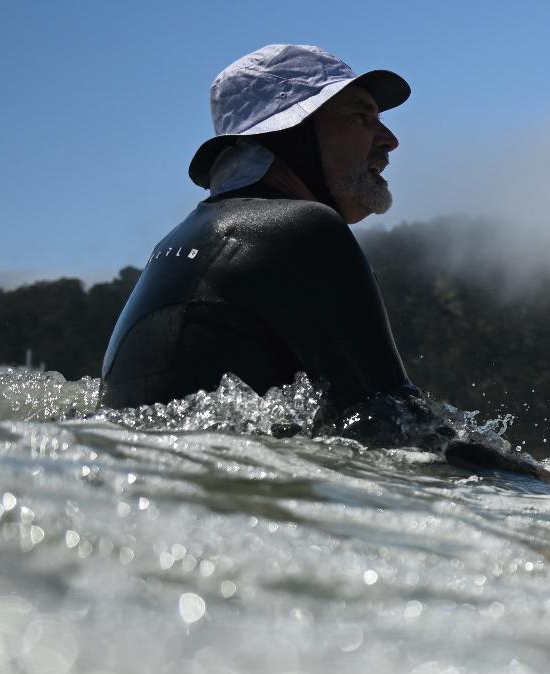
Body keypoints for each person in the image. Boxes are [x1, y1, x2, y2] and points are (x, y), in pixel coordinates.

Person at [101, 44, 446, 445]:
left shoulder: (175, 245)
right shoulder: (302, 228)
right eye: (360, 116)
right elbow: (400, 425)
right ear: (289, 136)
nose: (389, 139)